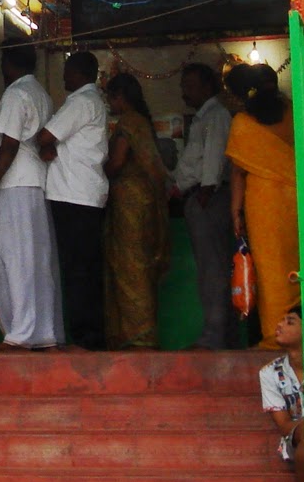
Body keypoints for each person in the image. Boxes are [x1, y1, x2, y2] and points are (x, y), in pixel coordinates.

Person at [0, 43, 62, 351]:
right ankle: (42, 332)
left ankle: (19, 334)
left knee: (15, 258)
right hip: (30, 184)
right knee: (34, 260)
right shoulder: (39, 93)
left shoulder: (16, 94)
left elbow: (10, 144)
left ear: (7, 63)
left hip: (14, 185)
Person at [225, 63, 299, 348]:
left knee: (270, 272)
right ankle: (299, 332)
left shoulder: (243, 122)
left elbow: (237, 172)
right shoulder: (294, 114)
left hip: (262, 202)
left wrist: (235, 210)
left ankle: (274, 334)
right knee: (296, 267)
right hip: (295, 200)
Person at [38, 51, 109, 350]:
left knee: (77, 271)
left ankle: (84, 339)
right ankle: (90, 336)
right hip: (85, 195)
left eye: (66, 71)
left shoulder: (81, 101)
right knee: (86, 271)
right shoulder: (94, 101)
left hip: (73, 196)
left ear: (78, 73)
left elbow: (45, 136)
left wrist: (47, 147)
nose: (64, 77)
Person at [102, 72, 170, 349]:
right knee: (139, 266)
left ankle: (137, 335)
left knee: (130, 269)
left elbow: (117, 162)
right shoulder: (142, 121)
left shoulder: (128, 123)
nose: (109, 104)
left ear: (121, 97)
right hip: (145, 201)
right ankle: (140, 333)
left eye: (111, 98)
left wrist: (96, 172)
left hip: (129, 201)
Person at [176, 62, 234, 349]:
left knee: (214, 271)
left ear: (208, 87)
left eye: (190, 85)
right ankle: (218, 334)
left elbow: (213, 160)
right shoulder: (204, 116)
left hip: (207, 198)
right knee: (211, 269)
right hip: (200, 196)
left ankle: (215, 336)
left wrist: (205, 193)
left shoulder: (216, 115)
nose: (184, 91)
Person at [259, 304, 304, 482]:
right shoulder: (270, 372)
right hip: (296, 435)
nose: (279, 325)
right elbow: (284, 425)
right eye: (281, 320)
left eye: (290, 322)